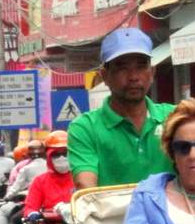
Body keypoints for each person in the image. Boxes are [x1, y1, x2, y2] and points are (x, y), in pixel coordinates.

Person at [68, 28, 175, 189]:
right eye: (122, 68)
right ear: (105, 75)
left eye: (141, 67)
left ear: (152, 72)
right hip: (112, 215)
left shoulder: (174, 118)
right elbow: (86, 187)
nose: (133, 77)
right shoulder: (85, 128)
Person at [0, 138, 46, 224]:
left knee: (14, 220)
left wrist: (7, 197)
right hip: (52, 206)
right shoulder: (51, 167)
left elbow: (15, 187)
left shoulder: (25, 169)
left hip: (33, 203)